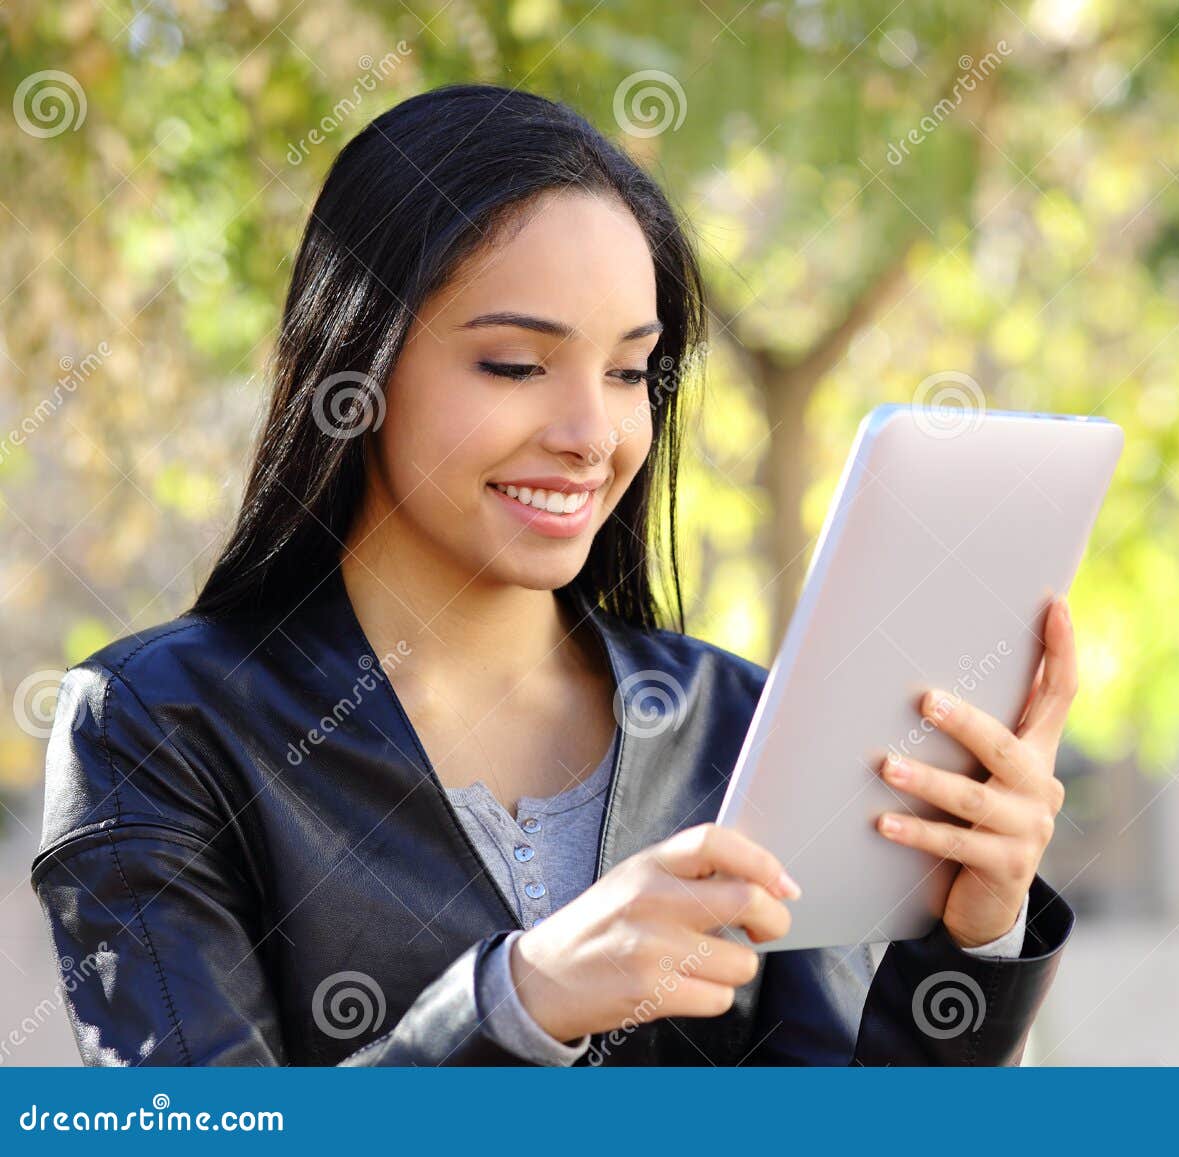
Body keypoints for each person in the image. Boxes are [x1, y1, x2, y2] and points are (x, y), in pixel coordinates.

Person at [31, 84, 1077, 1066]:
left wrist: (974, 944)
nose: (592, 434)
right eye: (516, 365)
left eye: (630, 371)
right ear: (357, 364)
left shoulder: (739, 723)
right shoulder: (156, 729)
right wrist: (521, 999)